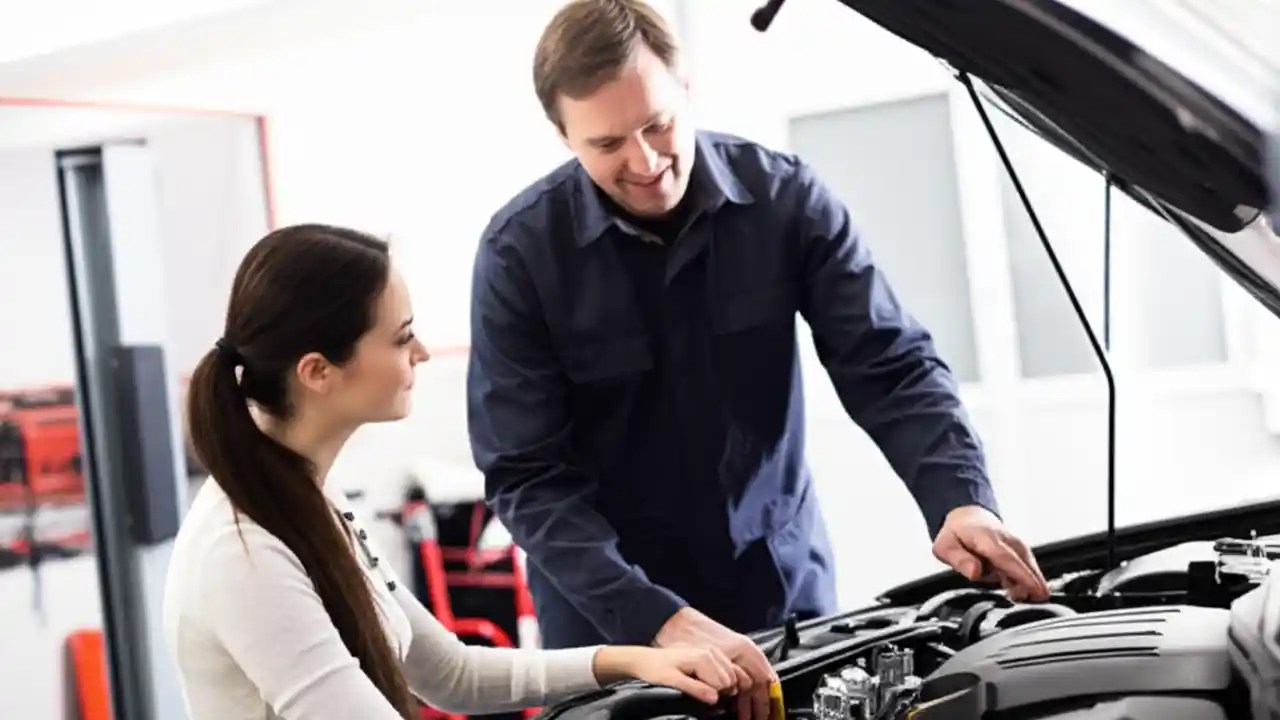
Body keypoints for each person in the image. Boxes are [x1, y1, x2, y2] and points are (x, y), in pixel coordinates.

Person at [466, 1, 1050, 717]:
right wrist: (653, 618)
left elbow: (888, 362)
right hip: (612, 622)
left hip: (778, 595)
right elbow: (528, 477)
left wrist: (958, 495)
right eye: (608, 143)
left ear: (687, 90)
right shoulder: (519, 256)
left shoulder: (785, 200)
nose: (645, 161)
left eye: (658, 124)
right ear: (563, 136)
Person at [163, 224, 751, 720]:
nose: (419, 352)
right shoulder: (244, 552)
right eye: (400, 337)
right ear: (318, 372)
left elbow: (450, 672)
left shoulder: (305, 496)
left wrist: (634, 661)